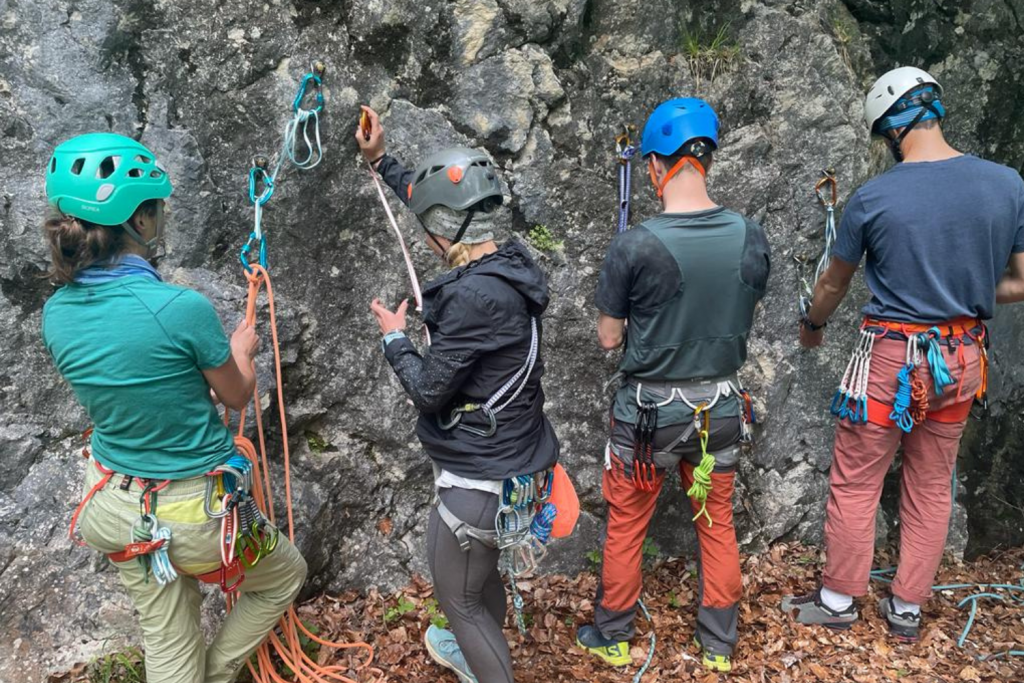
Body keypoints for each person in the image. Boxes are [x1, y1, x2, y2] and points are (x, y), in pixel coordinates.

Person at [42, 133, 307, 683]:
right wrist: (241, 351)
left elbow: (140, 384)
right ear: (141, 221)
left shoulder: (56, 314)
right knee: (284, 575)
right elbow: (236, 396)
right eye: (156, 207)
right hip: (198, 515)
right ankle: (216, 673)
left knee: (168, 641)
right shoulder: (180, 308)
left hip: (114, 506)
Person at [783, 67, 1024, 642]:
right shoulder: (1007, 183)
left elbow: (834, 285)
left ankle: (839, 598)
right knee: (932, 482)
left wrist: (812, 326)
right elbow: (1019, 282)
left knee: (857, 479)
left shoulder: (875, 197)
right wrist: (959, 288)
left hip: (890, 359)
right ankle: (907, 608)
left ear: (892, 130)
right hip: (962, 357)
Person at [356, 106, 561, 683]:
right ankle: (476, 657)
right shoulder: (509, 265)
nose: (425, 239)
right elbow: (440, 205)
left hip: (479, 482)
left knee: (461, 600)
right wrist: (382, 163)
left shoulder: (473, 299)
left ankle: (485, 665)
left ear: (445, 230)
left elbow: (428, 391)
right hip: (517, 466)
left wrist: (395, 341)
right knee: (481, 581)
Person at [576, 98, 771, 674]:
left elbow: (609, 338)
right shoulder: (750, 234)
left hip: (649, 414)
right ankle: (718, 647)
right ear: (705, 159)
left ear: (656, 166)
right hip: (722, 406)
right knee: (716, 522)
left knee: (628, 522)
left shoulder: (635, 244)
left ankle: (612, 634)